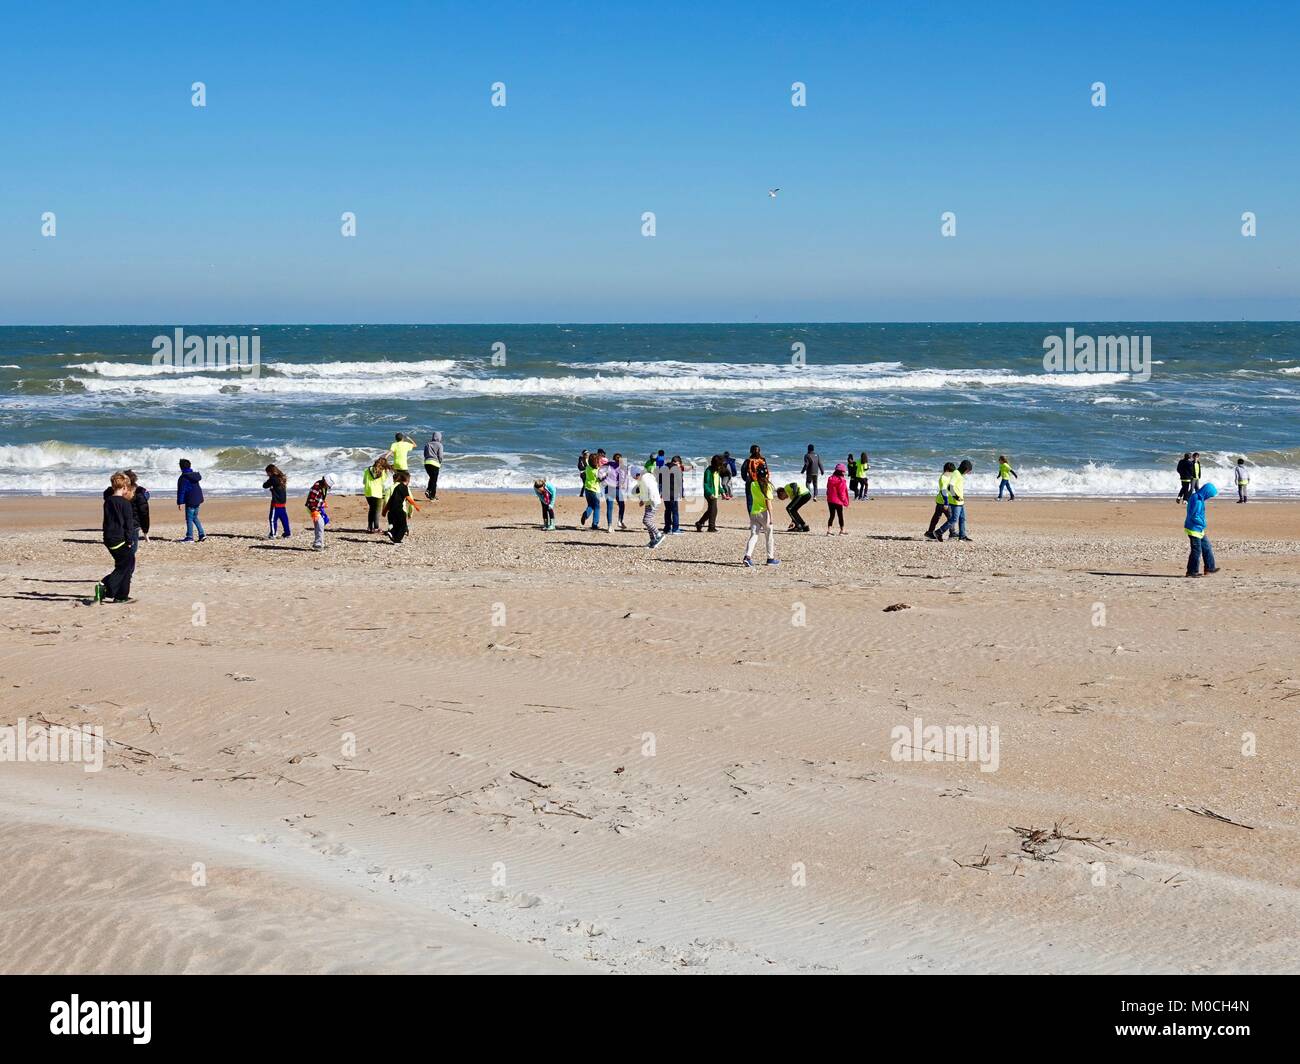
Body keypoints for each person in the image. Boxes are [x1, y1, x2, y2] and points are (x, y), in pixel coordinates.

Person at [98, 471, 138, 603]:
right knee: (125, 564)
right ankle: (106, 584)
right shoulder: (125, 504)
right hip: (119, 539)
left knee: (127, 563)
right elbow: (128, 525)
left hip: (109, 537)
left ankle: (121, 596)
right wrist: (129, 540)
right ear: (125, 488)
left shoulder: (108, 501)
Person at [102, 470, 149, 546]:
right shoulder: (140, 493)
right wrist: (145, 531)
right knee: (129, 550)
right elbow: (144, 513)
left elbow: (144, 512)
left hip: (121, 526)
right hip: (130, 526)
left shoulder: (139, 493)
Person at [743, 468, 778, 567]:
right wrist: (771, 518)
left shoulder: (753, 485)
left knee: (754, 535)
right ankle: (770, 558)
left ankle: (747, 556)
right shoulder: (768, 486)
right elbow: (768, 503)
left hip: (754, 512)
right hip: (764, 513)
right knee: (769, 536)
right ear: (766, 475)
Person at [1184, 482, 1220, 577]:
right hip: (1194, 528)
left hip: (1199, 528)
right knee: (1196, 550)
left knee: (1207, 547)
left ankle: (1209, 568)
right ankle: (1191, 571)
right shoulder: (1197, 499)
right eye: (1210, 495)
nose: (1209, 497)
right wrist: (1203, 523)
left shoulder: (1200, 498)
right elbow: (1194, 515)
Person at [935, 460, 973, 541]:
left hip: (960, 502)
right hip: (956, 501)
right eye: (968, 470)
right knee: (954, 519)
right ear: (965, 469)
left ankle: (962, 536)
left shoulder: (959, 474)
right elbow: (950, 487)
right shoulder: (956, 474)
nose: (968, 472)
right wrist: (956, 497)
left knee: (962, 519)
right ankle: (938, 532)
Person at [633, 463, 664, 548]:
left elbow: (650, 490)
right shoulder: (646, 476)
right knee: (648, 520)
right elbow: (647, 489)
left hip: (652, 501)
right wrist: (643, 500)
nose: (635, 479)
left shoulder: (644, 478)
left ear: (637, 474)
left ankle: (659, 535)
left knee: (646, 520)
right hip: (651, 501)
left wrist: (650, 501)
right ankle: (652, 540)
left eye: (635, 477)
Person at [924, 462, 957, 540]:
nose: (952, 474)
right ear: (946, 470)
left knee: (936, 517)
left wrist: (955, 497)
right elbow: (943, 491)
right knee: (951, 518)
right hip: (944, 502)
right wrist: (946, 502)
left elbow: (951, 488)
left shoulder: (949, 477)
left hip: (942, 501)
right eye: (951, 472)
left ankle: (930, 532)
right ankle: (952, 533)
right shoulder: (943, 478)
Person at [176, 458, 205, 542]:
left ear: (181, 467)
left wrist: (180, 502)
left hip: (190, 500)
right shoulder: (194, 475)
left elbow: (181, 490)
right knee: (194, 517)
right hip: (198, 499)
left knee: (189, 518)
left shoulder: (184, 477)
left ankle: (189, 537)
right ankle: (202, 534)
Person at [599, 453, 631, 531]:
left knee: (610, 507)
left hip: (610, 487)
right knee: (621, 505)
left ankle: (610, 526)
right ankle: (619, 521)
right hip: (616, 488)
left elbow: (599, 472)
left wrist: (602, 479)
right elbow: (624, 478)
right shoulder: (622, 466)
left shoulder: (609, 464)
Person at [306, 474, 337, 551]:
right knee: (320, 524)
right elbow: (310, 500)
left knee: (322, 523)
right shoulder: (316, 487)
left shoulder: (324, 487)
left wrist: (323, 502)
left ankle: (319, 543)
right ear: (325, 481)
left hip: (318, 508)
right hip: (312, 508)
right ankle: (318, 544)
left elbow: (321, 497)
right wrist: (314, 511)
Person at [362, 456, 392, 533]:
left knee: (371, 509)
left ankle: (369, 527)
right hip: (377, 493)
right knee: (377, 511)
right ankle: (376, 527)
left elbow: (364, 482)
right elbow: (383, 483)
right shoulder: (383, 472)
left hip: (368, 492)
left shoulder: (367, 470)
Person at [695, 455, 723, 532]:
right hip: (710, 494)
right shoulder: (708, 471)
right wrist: (710, 493)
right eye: (719, 465)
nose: (720, 467)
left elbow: (717, 484)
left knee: (711, 510)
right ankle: (711, 527)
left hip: (715, 493)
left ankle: (699, 523)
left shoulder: (716, 472)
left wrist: (722, 492)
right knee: (713, 510)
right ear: (715, 464)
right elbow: (706, 484)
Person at [384, 470, 412, 543]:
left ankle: (392, 531)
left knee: (395, 525)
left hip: (391, 511)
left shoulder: (390, 488)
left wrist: (384, 511)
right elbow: (410, 501)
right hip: (401, 510)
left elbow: (386, 501)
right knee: (402, 526)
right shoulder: (405, 487)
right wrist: (410, 513)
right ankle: (396, 537)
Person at [659, 455, 685, 534]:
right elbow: (680, 482)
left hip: (665, 492)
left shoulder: (664, 468)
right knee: (675, 511)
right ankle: (675, 529)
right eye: (679, 463)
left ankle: (667, 528)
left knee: (667, 510)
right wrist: (681, 493)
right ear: (677, 462)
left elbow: (660, 480)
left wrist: (660, 492)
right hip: (673, 493)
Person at [263, 464, 290, 538]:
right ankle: (287, 533)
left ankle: (273, 534)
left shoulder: (273, 479)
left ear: (270, 472)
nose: (267, 474)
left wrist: (270, 480)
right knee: (284, 518)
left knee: (272, 519)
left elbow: (265, 485)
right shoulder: (281, 478)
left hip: (276, 502)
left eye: (267, 473)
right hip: (283, 501)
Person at [825, 462, 850, 535]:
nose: (844, 473)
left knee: (832, 515)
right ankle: (842, 530)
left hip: (830, 500)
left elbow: (828, 488)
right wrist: (845, 501)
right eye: (843, 472)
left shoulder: (830, 479)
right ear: (841, 472)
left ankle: (829, 531)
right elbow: (841, 493)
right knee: (840, 515)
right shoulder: (841, 481)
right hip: (838, 501)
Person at [579, 453, 602, 529]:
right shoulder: (597, 471)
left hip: (587, 489)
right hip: (595, 490)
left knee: (590, 505)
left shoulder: (588, 468)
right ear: (596, 462)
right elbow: (600, 479)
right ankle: (595, 524)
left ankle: (586, 515)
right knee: (597, 507)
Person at [422, 431, 444, 500]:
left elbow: (425, 454)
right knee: (434, 480)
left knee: (432, 478)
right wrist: (440, 462)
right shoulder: (439, 445)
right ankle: (432, 496)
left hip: (427, 463)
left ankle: (429, 492)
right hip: (435, 463)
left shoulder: (427, 444)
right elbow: (440, 456)